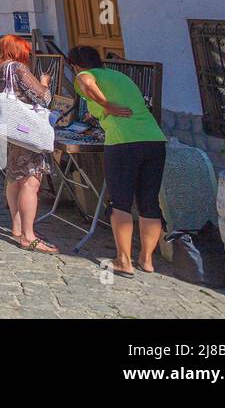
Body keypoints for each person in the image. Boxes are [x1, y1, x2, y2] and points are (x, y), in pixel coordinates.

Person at [69, 45, 168, 277]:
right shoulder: (120, 76)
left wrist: (106, 105)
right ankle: (147, 259)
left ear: (75, 65)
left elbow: (86, 84)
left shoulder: (83, 74)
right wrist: (101, 108)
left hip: (123, 142)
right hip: (154, 140)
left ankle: (124, 260)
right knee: (149, 202)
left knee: (120, 202)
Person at [0, 34, 58, 254]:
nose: (29, 54)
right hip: (27, 131)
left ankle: (17, 226)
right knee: (31, 181)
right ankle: (28, 236)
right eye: (26, 51)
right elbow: (43, 98)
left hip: (12, 130)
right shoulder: (18, 68)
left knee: (14, 176)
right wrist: (45, 83)